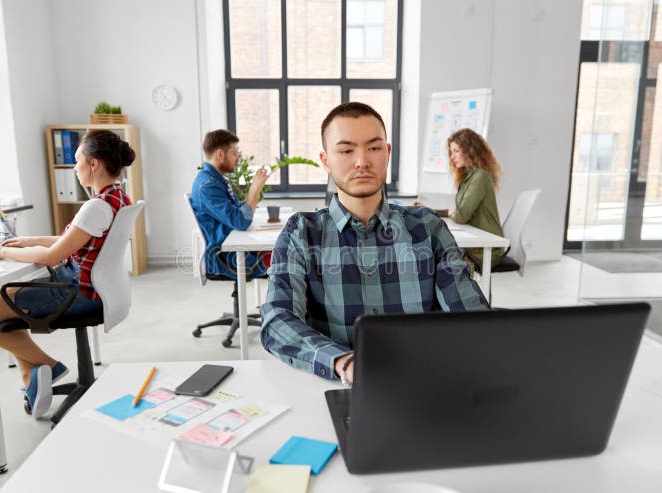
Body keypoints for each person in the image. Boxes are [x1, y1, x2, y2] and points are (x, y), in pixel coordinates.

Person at [260, 102, 489, 385]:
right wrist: (343, 362)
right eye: (346, 150)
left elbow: (469, 313)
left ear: (387, 152)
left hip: (422, 383)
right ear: (326, 160)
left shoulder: (426, 228)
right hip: (336, 385)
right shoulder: (302, 233)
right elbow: (277, 320)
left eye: (374, 148)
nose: (362, 161)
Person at [0, 129, 135, 419]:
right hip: (93, 289)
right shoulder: (118, 197)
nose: (75, 168)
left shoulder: (96, 206)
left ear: (93, 164)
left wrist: (1, 251)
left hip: (76, 292)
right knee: (2, 309)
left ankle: (45, 368)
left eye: (77, 161)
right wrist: (32, 240)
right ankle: (33, 376)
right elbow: (77, 240)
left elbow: (53, 256)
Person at [189, 129, 270, 279]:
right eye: (234, 154)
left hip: (234, 246)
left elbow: (238, 211)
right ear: (220, 154)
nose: (237, 159)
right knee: (288, 259)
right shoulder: (208, 186)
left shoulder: (216, 179)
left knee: (283, 250)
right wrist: (254, 190)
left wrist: (255, 191)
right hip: (226, 257)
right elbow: (241, 221)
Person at [447, 128, 505, 267]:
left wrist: (451, 212)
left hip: (488, 248)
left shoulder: (480, 177)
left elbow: (461, 215)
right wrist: (430, 210)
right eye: (451, 152)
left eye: (456, 151)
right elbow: (458, 211)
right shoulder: (469, 177)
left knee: (441, 259)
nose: (452, 157)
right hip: (479, 242)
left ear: (469, 151)